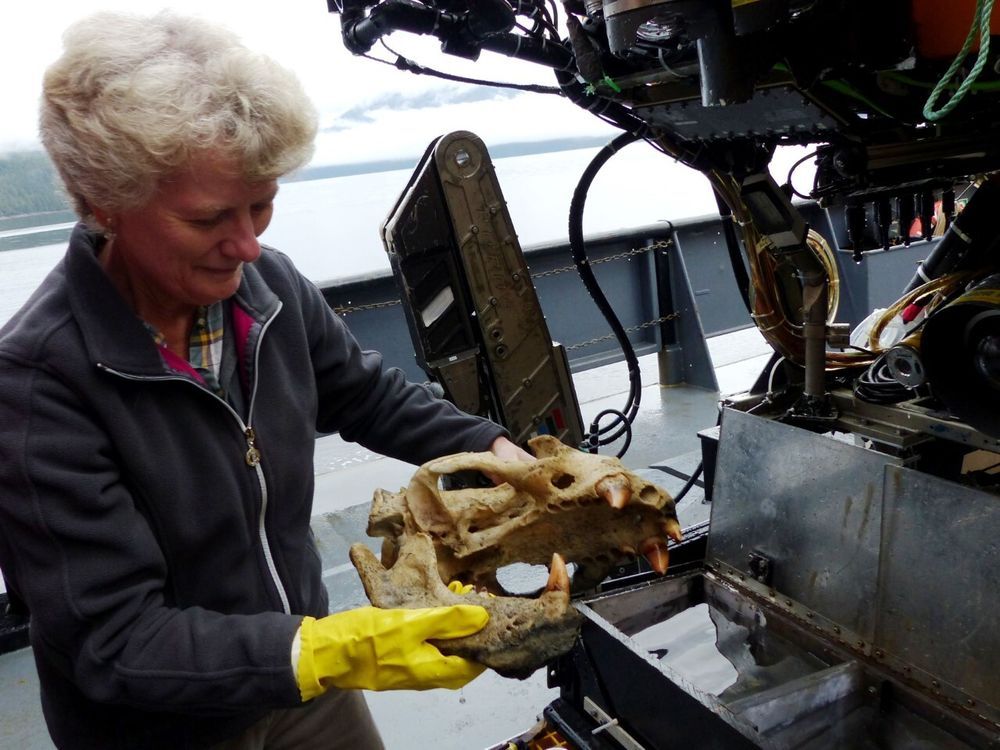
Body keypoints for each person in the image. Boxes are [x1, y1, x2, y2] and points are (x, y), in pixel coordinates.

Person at [0, 10, 533, 750]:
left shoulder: (266, 286)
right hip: (160, 726)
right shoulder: (35, 383)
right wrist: (332, 649)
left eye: (263, 204)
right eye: (211, 216)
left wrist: (498, 455)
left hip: (305, 689)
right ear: (103, 202)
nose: (248, 243)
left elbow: (364, 395)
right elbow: (115, 640)